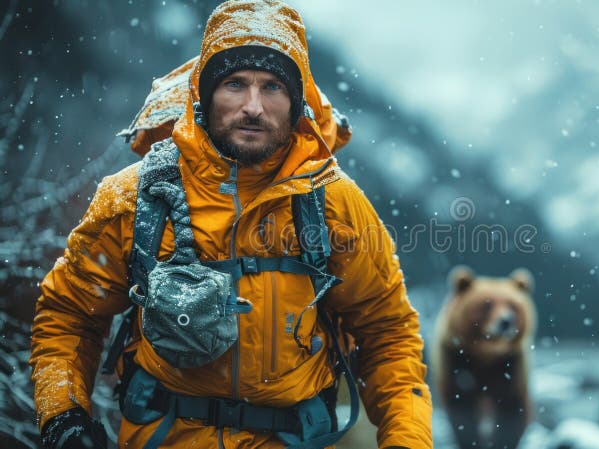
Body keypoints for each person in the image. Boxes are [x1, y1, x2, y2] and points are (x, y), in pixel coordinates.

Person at [28, 1, 433, 448]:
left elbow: (388, 333)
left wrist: (407, 440)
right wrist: (63, 416)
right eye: (235, 84)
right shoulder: (137, 198)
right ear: (204, 94)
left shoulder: (333, 203)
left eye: (273, 86)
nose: (253, 107)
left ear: (297, 103)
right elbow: (69, 315)